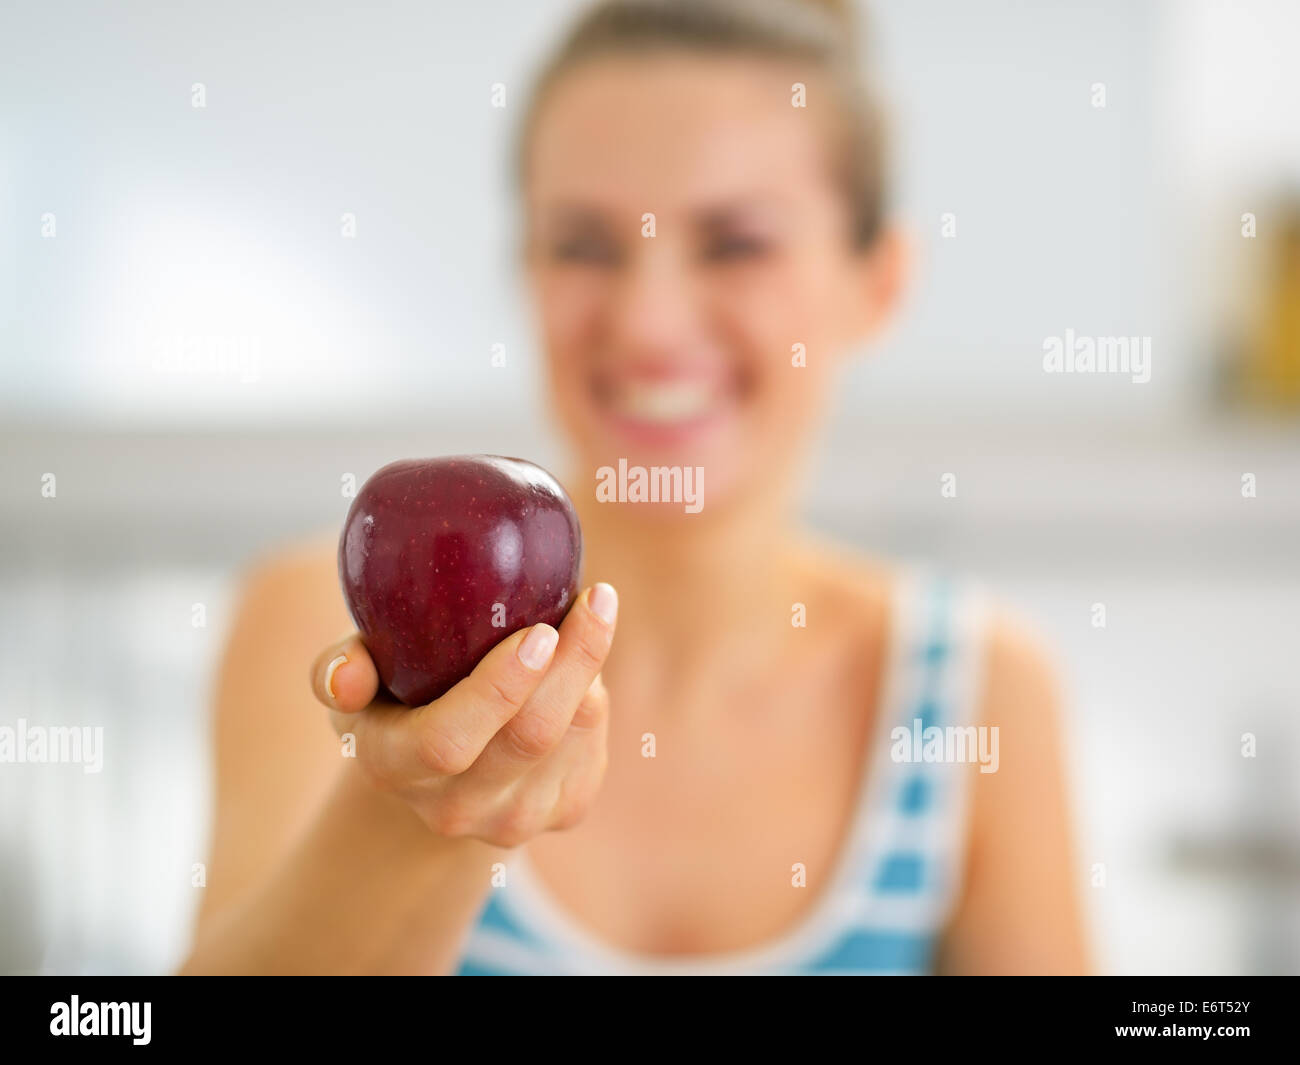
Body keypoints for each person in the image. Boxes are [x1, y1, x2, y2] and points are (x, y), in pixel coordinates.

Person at [180, 0, 1091, 975]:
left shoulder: (977, 689)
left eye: (736, 243)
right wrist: (420, 813)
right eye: (582, 245)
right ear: (524, 272)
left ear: (877, 284)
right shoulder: (317, 625)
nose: (650, 324)